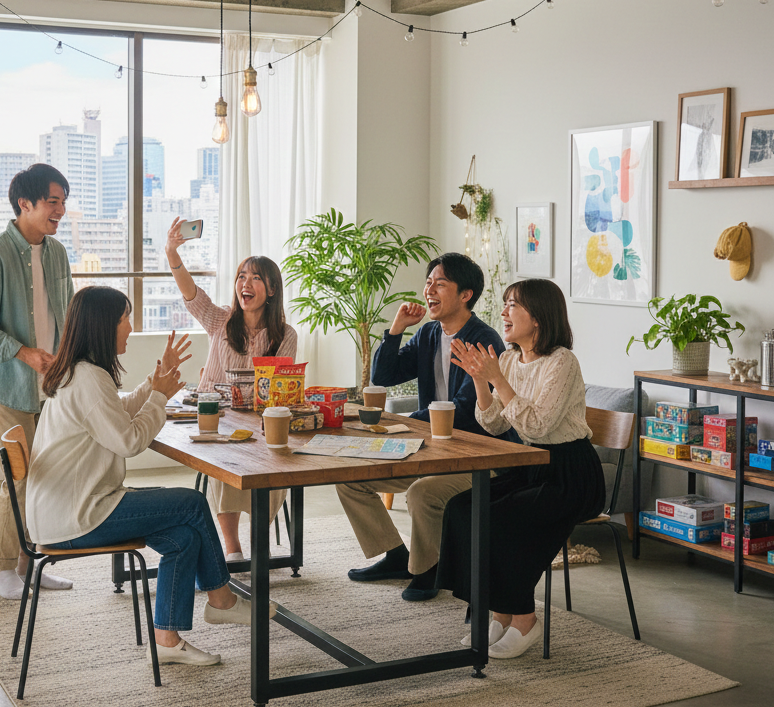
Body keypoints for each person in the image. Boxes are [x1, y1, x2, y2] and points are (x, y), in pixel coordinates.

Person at [27, 286, 275, 666]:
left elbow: (116, 410)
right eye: (125, 319)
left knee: (182, 537)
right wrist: (159, 397)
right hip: (78, 515)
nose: (129, 327)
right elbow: (128, 440)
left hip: (65, 510)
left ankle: (167, 641)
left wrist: (153, 383)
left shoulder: (77, 373)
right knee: (192, 503)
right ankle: (222, 599)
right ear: (103, 326)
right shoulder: (89, 378)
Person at [436, 278, 605, 659]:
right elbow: (495, 424)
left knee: (504, 522)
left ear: (539, 317)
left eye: (514, 305)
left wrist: (496, 378)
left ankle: (525, 619)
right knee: (464, 509)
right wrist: (482, 381)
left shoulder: (562, 362)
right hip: (529, 467)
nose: (504, 312)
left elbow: (538, 426)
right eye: (506, 303)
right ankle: (498, 612)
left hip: (570, 473)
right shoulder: (510, 359)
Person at [336, 253, 516, 602]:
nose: (428, 290)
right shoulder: (430, 333)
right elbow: (384, 376)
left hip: (479, 457)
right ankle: (395, 556)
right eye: (428, 282)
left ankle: (427, 569)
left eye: (440, 283)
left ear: (465, 295)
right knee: (350, 477)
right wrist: (397, 329)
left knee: (422, 492)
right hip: (433, 448)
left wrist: (398, 425)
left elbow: (464, 413)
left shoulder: (485, 340)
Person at [0, 163, 76, 600]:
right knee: (20, 474)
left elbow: (66, 314)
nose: (61, 210)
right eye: (53, 201)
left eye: (64, 202)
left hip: (50, 386)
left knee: (45, 476)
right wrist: (26, 353)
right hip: (4, 385)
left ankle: (33, 564)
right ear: (24, 203)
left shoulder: (57, 253)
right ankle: (2, 570)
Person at [164, 217, 296, 560]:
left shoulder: (285, 334)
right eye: (241, 276)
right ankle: (233, 549)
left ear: (271, 290)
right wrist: (172, 253)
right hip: (217, 419)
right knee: (225, 459)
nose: (245, 283)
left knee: (276, 461)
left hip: (262, 423)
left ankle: (260, 545)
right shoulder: (219, 320)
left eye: (255, 278)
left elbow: (279, 392)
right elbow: (190, 292)